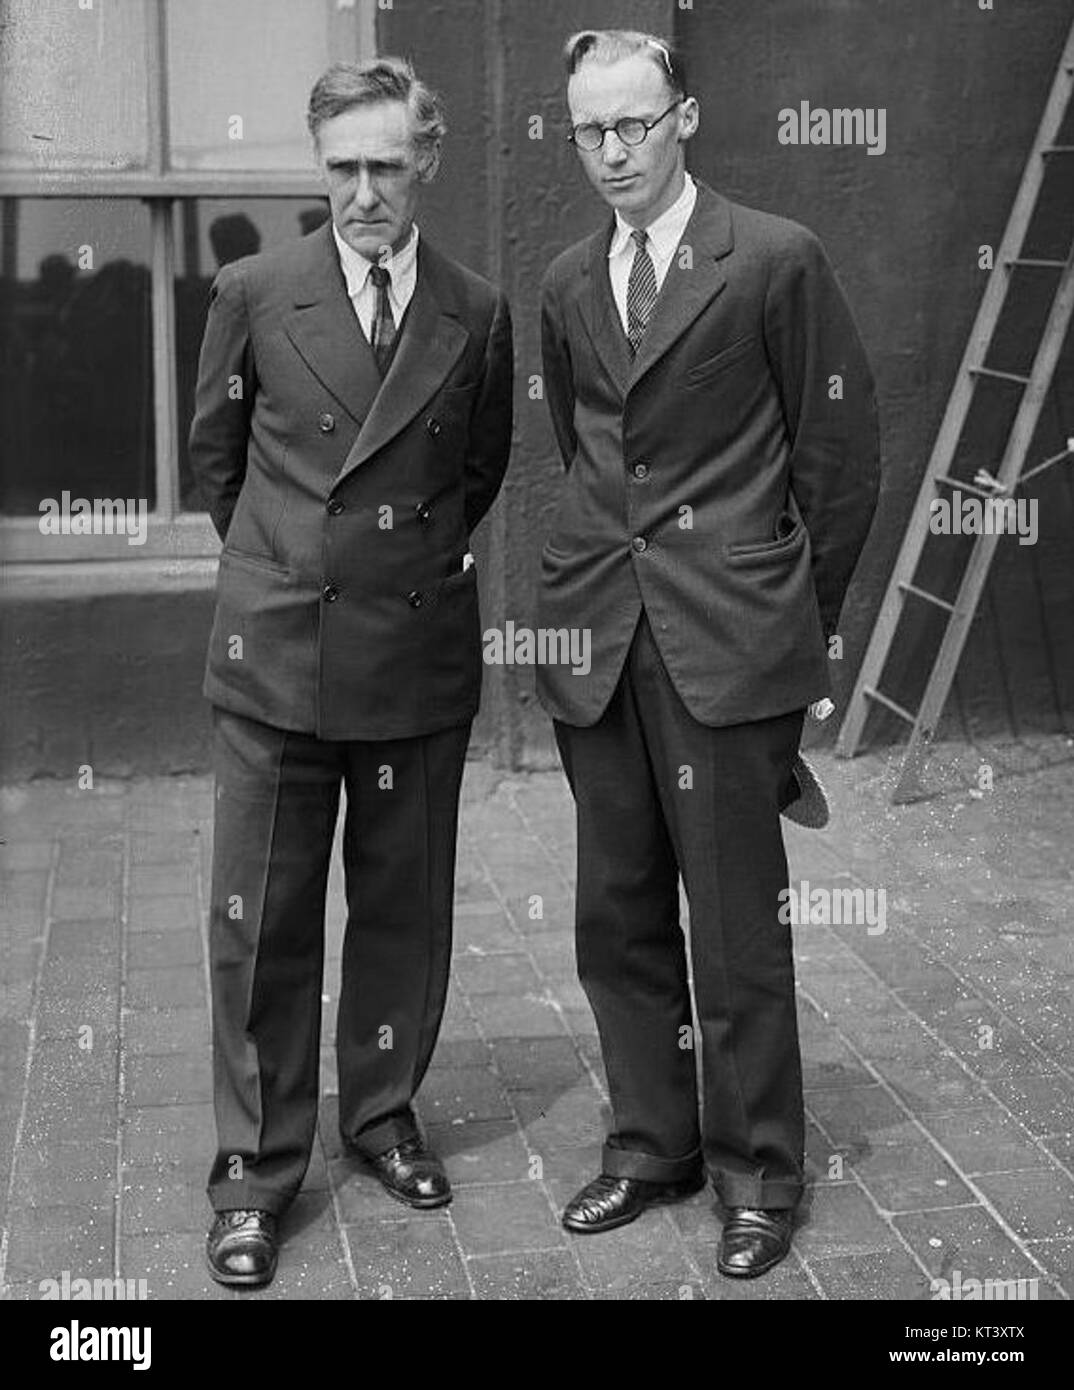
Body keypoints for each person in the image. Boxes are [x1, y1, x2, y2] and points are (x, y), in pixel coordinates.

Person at [536, 29, 879, 1278]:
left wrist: (793, 621)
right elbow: (588, 452)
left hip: (728, 645)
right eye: (589, 131)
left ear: (686, 115)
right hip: (601, 640)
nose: (613, 151)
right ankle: (650, 1145)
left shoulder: (776, 260)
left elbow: (841, 464)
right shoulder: (573, 277)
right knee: (615, 911)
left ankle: (757, 1173)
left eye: (634, 123)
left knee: (735, 925)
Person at [189, 57, 513, 1288]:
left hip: (414, 653)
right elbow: (217, 464)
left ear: (426, 160)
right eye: (342, 169)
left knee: (402, 908)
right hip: (278, 654)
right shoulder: (256, 290)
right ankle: (255, 1171)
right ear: (318, 170)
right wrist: (291, 569)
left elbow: (476, 474)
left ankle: (380, 1117)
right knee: (260, 923)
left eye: (386, 165)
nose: (364, 192)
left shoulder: (477, 310)